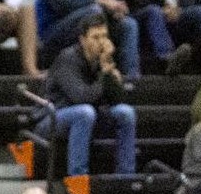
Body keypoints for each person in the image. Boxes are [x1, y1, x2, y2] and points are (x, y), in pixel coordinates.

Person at [44, 13, 138, 178]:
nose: (101, 42)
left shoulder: (103, 60)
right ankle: (78, 178)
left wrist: (112, 78)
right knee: (85, 112)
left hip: (90, 116)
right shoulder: (67, 58)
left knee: (126, 112)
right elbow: (81, 98)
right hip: (53, 117)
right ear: (83, 40)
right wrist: (105, 74)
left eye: (104, 36)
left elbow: (118, 100)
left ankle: (126, 176)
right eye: (95, 37)